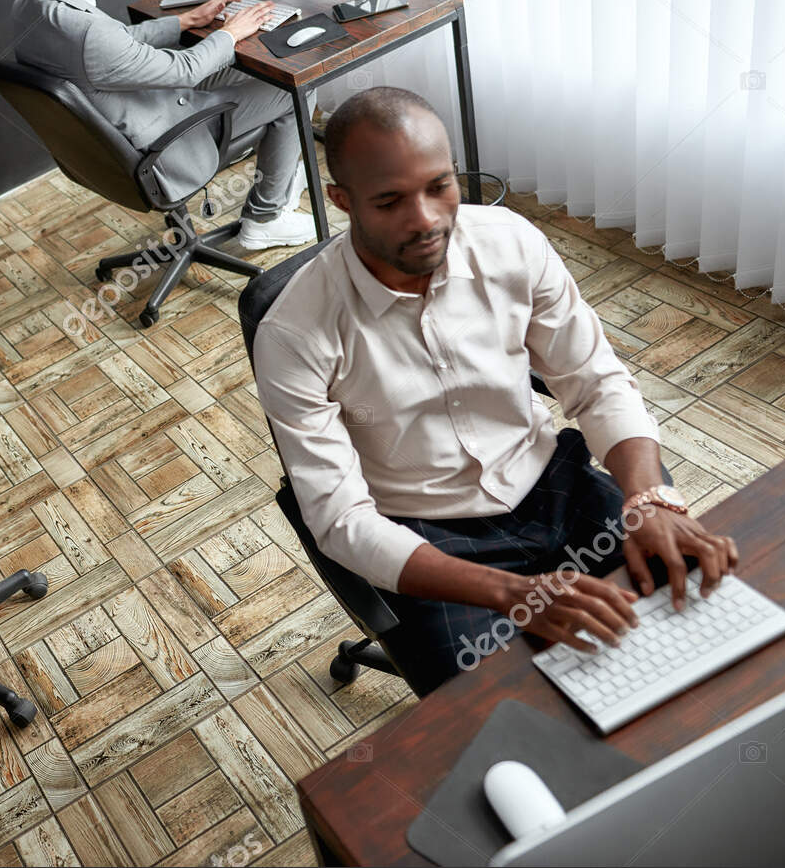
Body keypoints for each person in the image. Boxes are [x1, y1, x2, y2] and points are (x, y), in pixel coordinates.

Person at [253, 87, 739, 683]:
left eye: (439, 186)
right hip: (427, 536)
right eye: (390, 201)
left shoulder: (510, 242)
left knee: (705, 610)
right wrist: (514, 592)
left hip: (551, 482)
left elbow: (594, 379)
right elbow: (340, 520)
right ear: (342, 201)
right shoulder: (293, 333)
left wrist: (646, 500)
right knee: (498, 716)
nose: (426, 219)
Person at [10, 0, 316, 251]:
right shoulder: (88, 33)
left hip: (137, 112)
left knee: (247, 67)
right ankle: (266, 219)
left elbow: (120, 40)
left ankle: (280, 178)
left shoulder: (28, 8)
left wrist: (185, 21)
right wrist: (232, 32)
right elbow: (185, 69)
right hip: (168, 140)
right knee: (297, 87)